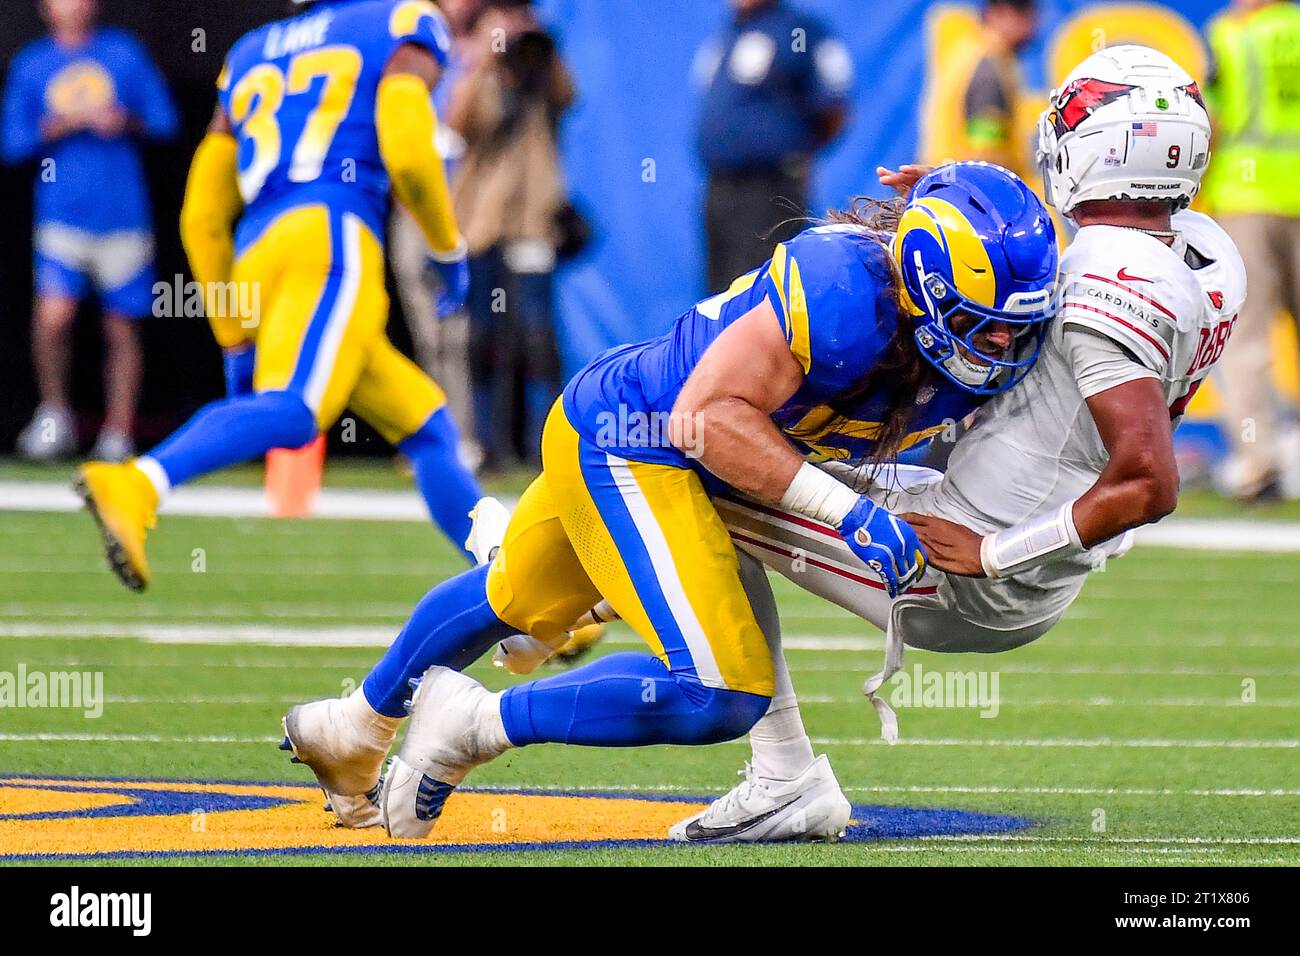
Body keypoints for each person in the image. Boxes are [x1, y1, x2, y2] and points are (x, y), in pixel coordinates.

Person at [278, 162, 1060, 835]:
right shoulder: (845, 293)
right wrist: (849, 514)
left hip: (664, 441)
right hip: (641, 438)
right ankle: (471, 726)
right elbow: (708, 420)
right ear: (921, 283)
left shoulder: (989, 323)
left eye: (1015, 332)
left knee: (517, 593)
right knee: (720, 693)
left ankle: (352, 726)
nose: (1000, 349)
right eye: (982, 327)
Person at [662, 45, 1246, 843]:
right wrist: (946, 217)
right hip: (1004, 533)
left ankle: (781, 774)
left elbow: (1150, 482)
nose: (1057, 134)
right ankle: (587, 603)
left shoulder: (1113, 280)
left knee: (700, 470)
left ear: (1115, 145)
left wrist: (995, 552)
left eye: (1075, 122)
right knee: (769, 462)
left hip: (976, 565)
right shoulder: (1204, 252)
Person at [74, 0, 485, 592]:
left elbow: (203, 215)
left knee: (427, 427)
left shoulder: (250, 51)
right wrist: (445, 245)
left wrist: (233, 334)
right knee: (296, 413)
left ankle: (507, 579)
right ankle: (138, 482)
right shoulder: (399, 21)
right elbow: (409, 149)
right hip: (331, 233)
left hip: (260, 249)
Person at [1, 0, 177, 462]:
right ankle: (55, 413)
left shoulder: (123, 53)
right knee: (54, 317)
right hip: (61, 215)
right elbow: (13, 144)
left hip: (124, 215)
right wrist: (59, 125)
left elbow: (164, 121)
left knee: (121, 326)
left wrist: (122, 120)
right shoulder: (32, 63)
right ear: (44, 8)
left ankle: (118, 431)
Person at [446, 0, 574, 470]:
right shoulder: (482, 80)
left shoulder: (541, 79)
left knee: (538, 336)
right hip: (483, 225)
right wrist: (482, 62)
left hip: (533, 223)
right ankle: (487, 443)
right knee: (482, 336)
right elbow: (457, 125)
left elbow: (569, 96)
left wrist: (539, 47)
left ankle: (550, 443)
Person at [1201, 0, 1300, 501]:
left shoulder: (1231, 37)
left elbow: (1211, 122)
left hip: (1249, 199)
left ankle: (1259, 466)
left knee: (1246, 344)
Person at [695, 0, 853, 293]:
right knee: (717, 295)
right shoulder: (729, 33)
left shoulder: (800, 31)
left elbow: (834, 106)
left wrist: (792, 157)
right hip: (719, 187)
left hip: (769, 189)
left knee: (757, 290)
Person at [920, 0, 1037, 179]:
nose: (1032, 26)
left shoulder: (969, 52)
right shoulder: (989, 66)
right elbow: (984, 150)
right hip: (967, 190)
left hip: (947, 181)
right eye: (1023, 14)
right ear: (996, 13)